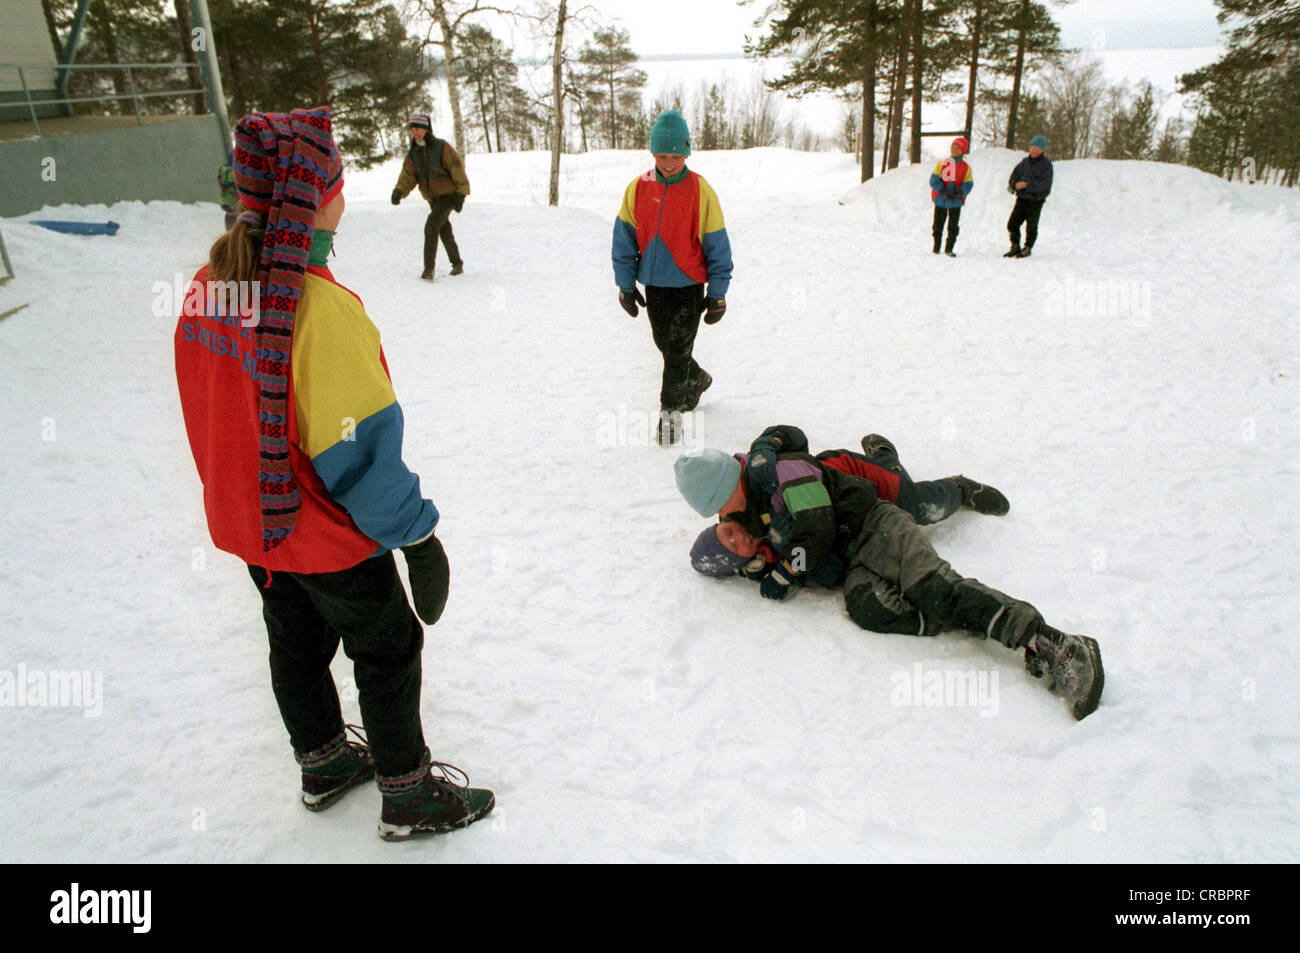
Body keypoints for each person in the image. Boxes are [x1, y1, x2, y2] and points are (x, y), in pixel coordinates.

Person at [174, 106, 494, 840]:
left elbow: (212, 415)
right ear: (318, 199)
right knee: (387, 646)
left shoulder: (206, 287)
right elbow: (359, 455)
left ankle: (323, 763)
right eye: (338, 180)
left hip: (256, 530)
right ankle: (408, 795)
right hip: (322, 535)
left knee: (294, 641)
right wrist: (417, 538)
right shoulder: (317, 308)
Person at [673, 428, 1104, 720]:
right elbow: (774, 549)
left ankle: (1057, 644)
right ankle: (954, 611)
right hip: (857, 555)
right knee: (867, 608)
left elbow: (817, 527)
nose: (723, 518)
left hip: (875, 522)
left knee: (931, 565)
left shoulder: (781, 472)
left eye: (719, 510)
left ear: (727, 489)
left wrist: (787, 571)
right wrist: (760, 567)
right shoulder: (756, 517)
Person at [612, 109, 733, 445]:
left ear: (686, 152)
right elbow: (623, 240)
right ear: (653, 153)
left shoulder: (699, 190)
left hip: (689, 286)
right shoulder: (638, 188)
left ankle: (670, 417)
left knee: (677, 352)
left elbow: (717, 245)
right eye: (662, 155)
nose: (668, 162)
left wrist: (718, 293)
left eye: (675, 155)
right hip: (654, 285)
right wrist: (625, 286)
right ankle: (697, 379)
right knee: (666, 345)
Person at [391, 113, 469, 281]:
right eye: (412, 129)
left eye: (418, 129)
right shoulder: (414, 153)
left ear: (426, 130)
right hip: (433, 198)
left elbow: (457, 168)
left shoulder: (441, 147)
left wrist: (461, 194)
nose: (415, 133)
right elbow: (408, 176)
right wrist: (399, 191)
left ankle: (429, 269)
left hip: (448, 195)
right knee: (444, 230)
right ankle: (457, 263)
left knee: (431, 226)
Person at [1004, 134, 1053, 258]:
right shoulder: (1024, 162)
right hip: (1021, 199)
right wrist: (1014, 184)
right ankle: (1015, 246)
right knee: (1012, 224)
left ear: (1042, 149)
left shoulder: (1046, 165)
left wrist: (1026, 185)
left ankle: (1028, 248)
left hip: (1036, 201)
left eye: (1036, 147)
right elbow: (1014, 175)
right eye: (1032, 146)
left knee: (1031, 227)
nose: (1033, 149)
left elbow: (1044, 185)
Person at [929, 136, 972, 256]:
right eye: (952, 147)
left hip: (956, 201)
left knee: (953, 226)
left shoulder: (966, 167)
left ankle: (949, 248)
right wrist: (942, 190)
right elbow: (934, 180)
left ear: (963, 150)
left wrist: (960, 192)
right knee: (938, 224)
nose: (954, 150)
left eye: (957, 148)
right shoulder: (943, 163)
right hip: (941, 199)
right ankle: (936, 247)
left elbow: (968, 183)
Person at [217, 150, 237, 231]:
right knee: (236, 223)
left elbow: (220, 182)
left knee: (229, 220)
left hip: (226, 202)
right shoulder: (234, 172)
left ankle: (229, 233)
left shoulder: (222, 170)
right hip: (235, 202)